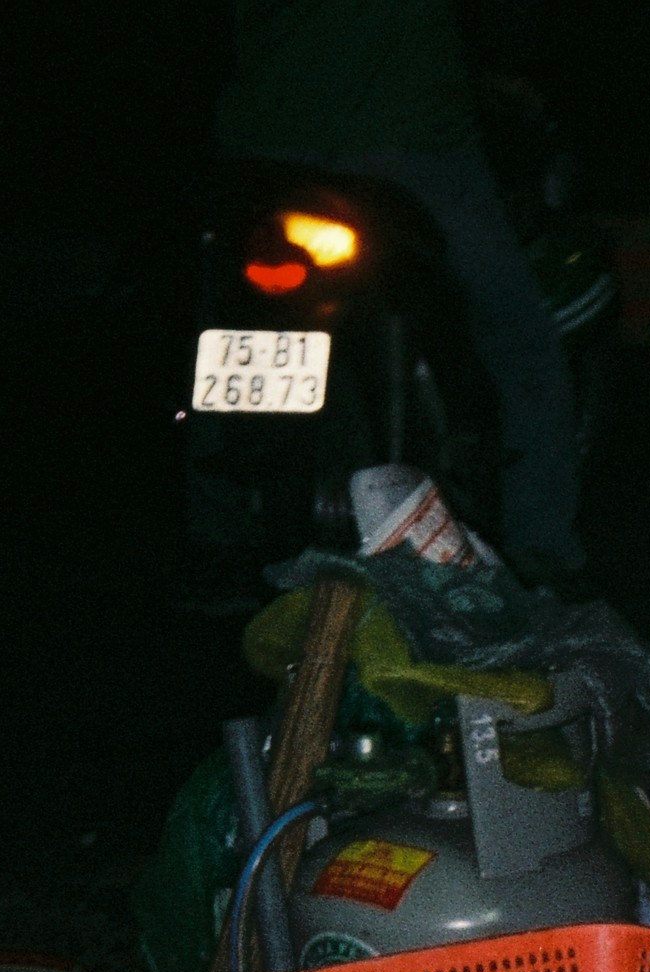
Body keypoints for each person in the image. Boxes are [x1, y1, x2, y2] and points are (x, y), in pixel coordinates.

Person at [218, 0, 588, 580]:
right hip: (409, 147)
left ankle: (212, 531)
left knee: (221, 321)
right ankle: (541, 549)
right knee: (524, 348)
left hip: (261, 148)